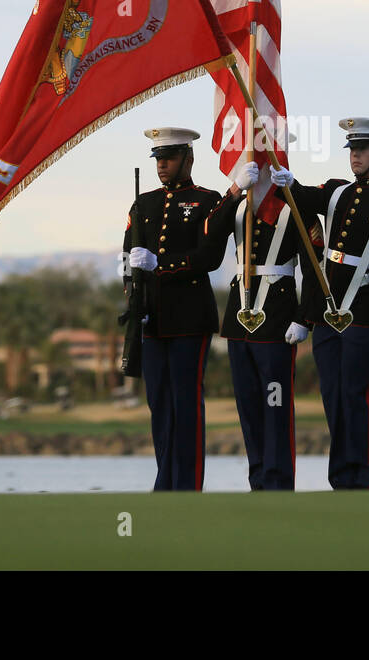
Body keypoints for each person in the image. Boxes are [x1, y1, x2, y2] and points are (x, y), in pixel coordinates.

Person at [270, 118, 369, 490]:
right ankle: (341, 478)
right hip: (328, 314)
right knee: (332, 397)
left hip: (363, 312)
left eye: (363, 149)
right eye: (352, 149)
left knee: (357, 397)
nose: (356, 156)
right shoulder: (335, 192)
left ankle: (365, 477)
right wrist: (288, 181)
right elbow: (303, 200)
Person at [199, 133, 315, 490]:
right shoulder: (238, 204)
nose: (261, 163)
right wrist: (234, 190)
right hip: (238, 321)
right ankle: (258, 478)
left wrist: (304, 317)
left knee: (275, 406)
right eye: (256, 156)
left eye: (268, 156)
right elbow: (208, 238)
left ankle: (279, 480)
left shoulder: (297, 206)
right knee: (249, 407)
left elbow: (313, 267)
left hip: (278, 321)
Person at [123, 127, 223, 491]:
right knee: (159, 406)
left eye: (168, 158)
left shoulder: (206, 200)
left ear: (188, 158)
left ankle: (188, 484)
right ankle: (165, 482)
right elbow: (128, 258)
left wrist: (160, 264)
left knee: (186, 404)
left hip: (189, 318)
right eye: (158, 159)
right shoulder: (144, 203)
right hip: (152, 320)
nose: (161, 165)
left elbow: (208, 257)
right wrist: (133, 296)